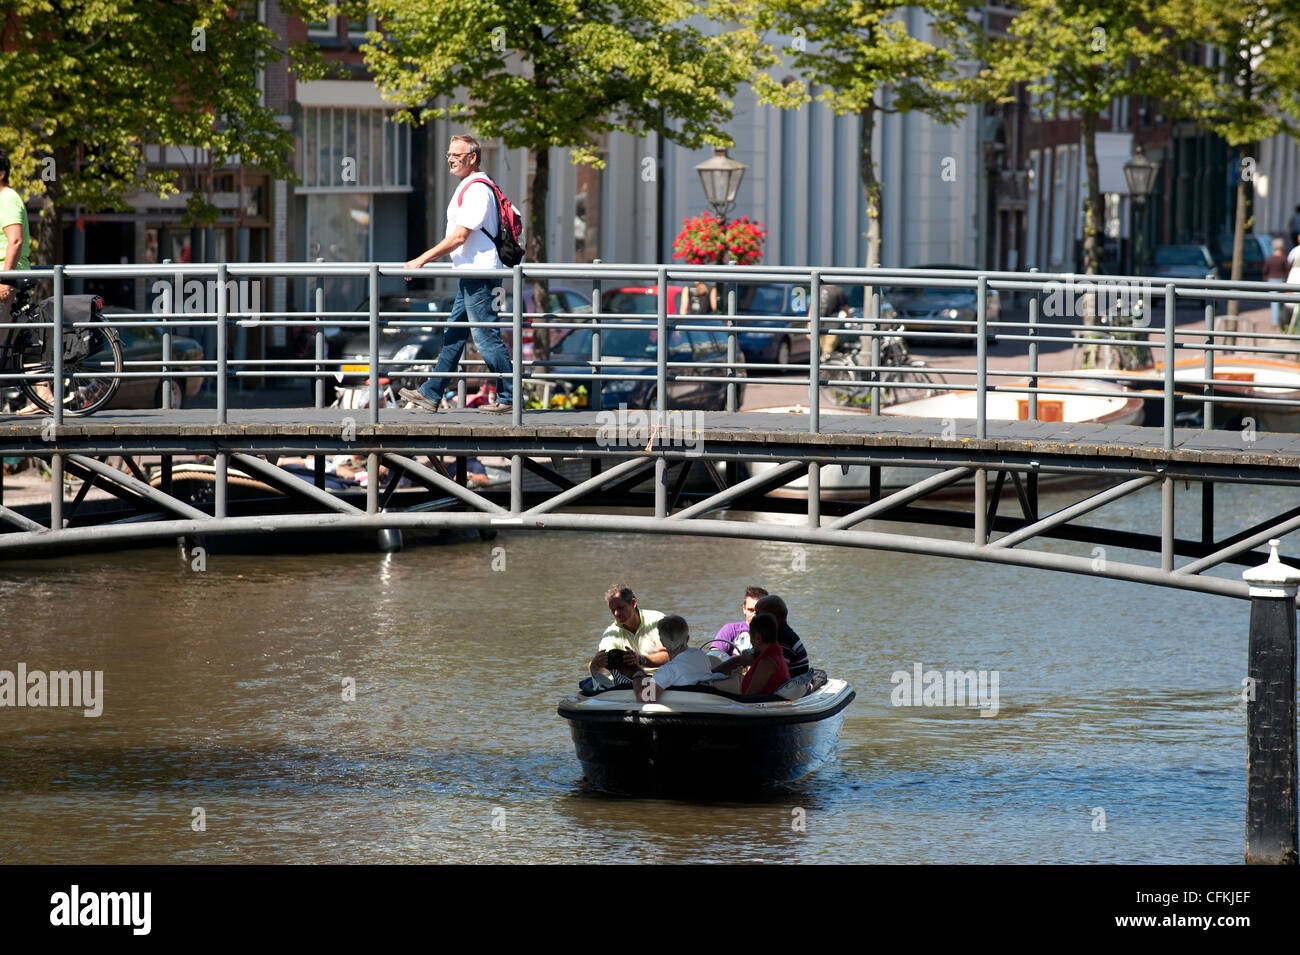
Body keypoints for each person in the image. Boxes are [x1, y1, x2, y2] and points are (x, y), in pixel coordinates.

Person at [401, 134, 513, 415]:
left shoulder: (476, 190)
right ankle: (431, 392)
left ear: (472, 158)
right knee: (454, 333)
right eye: (448, 154)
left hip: (480, 274)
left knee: (486, 337)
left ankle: (510, 396)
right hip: (471, 273)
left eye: (456, 155)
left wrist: (422, 259)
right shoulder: (472, 186)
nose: (450, 159)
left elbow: (460, 236)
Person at [588, 584, 670, 685]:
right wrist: (595, 665)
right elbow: (599, 667)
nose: (616, 613)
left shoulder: (658, 620)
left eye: (620, 608)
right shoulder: (611, 632)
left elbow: (669, 655)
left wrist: (641, 659)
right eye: (613, 610)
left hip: (662, 679)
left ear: (633, 603)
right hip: (631, 682)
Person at [631, 614, 717, 702]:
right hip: (708, 702)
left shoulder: (667, 671)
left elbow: (643, 698)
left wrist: (638, 675)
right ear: (687, 638)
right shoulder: (700, 654)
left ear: (662, 642)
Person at [705, 584, 768, 655]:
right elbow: (714, 656)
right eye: (751, 610)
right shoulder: (730, 630)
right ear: (744, 609)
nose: (754, 615)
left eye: (759, 611)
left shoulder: (775, 632)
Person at [740, 613, 791, 696]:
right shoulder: (775, 654)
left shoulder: (767, 662)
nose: (751, 641)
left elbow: (749, 696)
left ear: (757, 638)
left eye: (751, 636)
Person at [816, 282, 850, 359]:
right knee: (826, 351)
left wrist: (809, 323)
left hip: (819, 324)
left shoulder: (819, 288)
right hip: (831, 325)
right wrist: (849, 318)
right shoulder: (838, 290)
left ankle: (822, 367)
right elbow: (845, 308)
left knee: (822, 351)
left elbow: (812, 306)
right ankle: (824, 367)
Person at [1264, 238, 1289, 329]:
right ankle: (1282, 322)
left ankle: (1275, 322)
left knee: (1274, 303)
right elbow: (1287, 271)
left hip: (1272, 281)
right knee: (1281, 303)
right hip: (1281, 281)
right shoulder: (1284, 258)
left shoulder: (1269, 259)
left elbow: (1265, 271)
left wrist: (1266, 280)